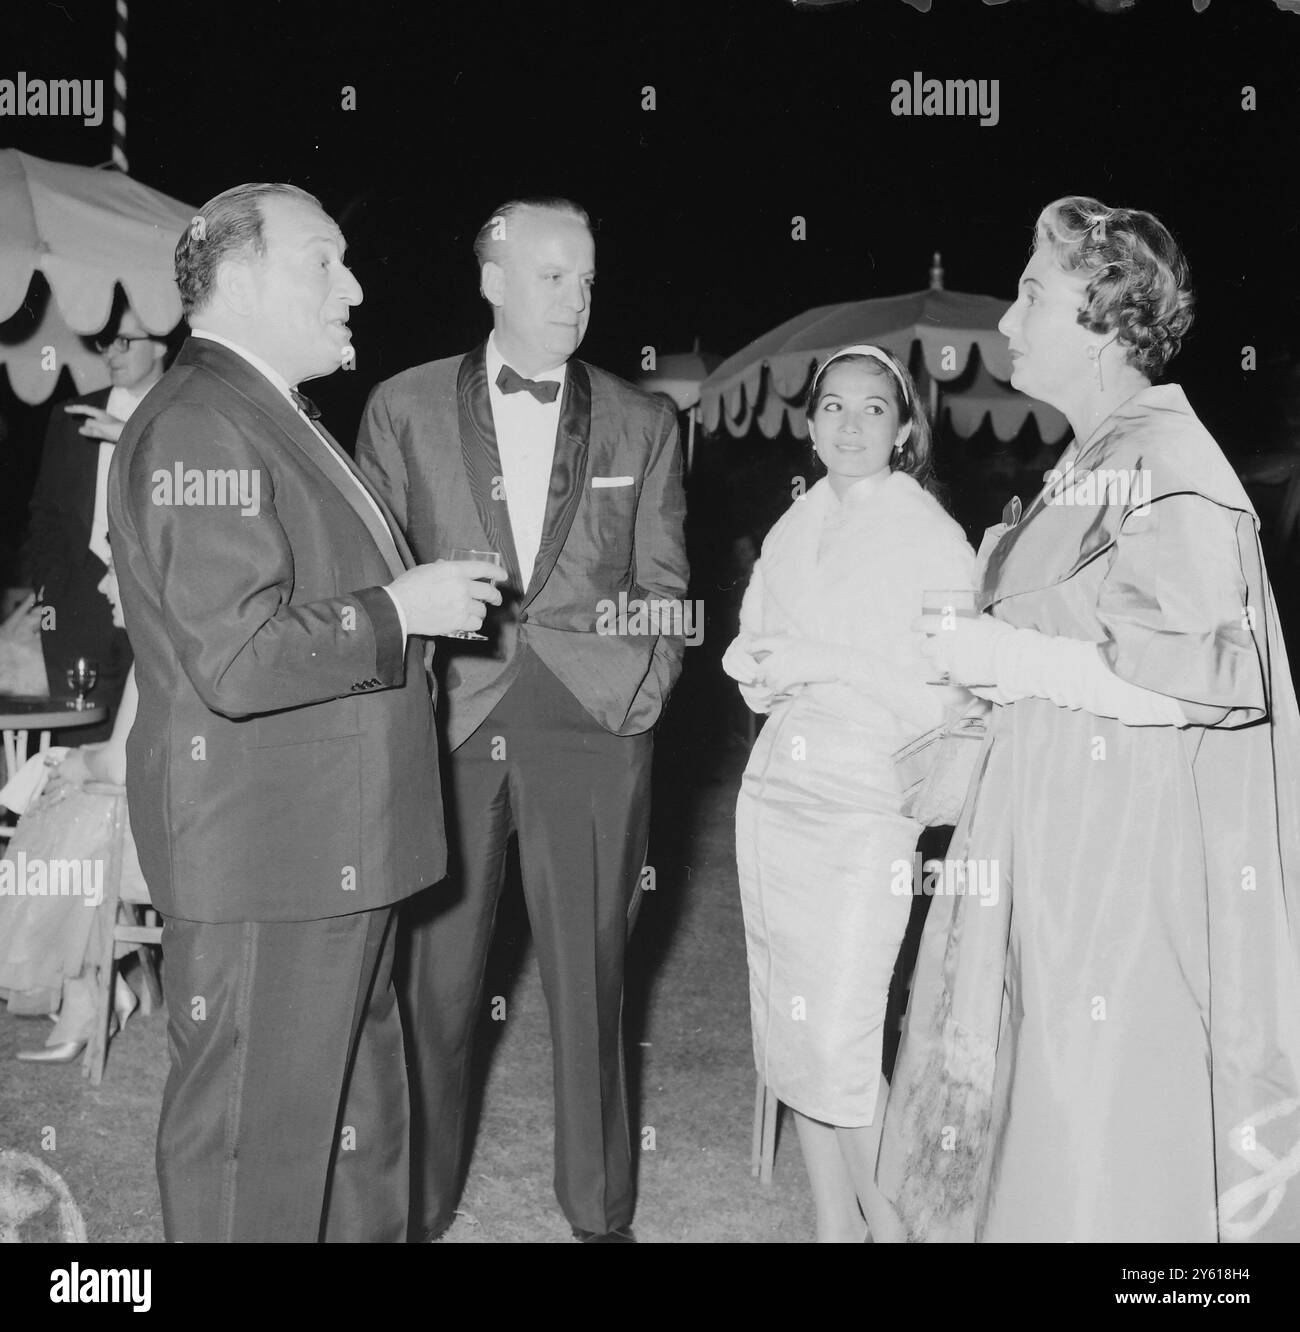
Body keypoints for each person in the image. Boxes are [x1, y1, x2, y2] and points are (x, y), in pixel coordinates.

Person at [878, 196, 1300, 1243]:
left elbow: (1200, 672)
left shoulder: (1169, 462)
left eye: (1030, 293)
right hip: (1061, 851)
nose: (1008, 324)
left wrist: (1006, 651)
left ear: (1108, 320)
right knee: (1041, 1116)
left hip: (1117, 879)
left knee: (1098, 1131)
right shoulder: (1100, 454)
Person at [106, 181, 504, 1243]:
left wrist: (400, 598)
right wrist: (396, 607)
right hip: (270, 861)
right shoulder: (198, 421)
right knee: (259, 1163)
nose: (355, 284)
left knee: (357, 1141)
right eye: (322, 261)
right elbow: (236, 658)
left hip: (335, 853)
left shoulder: (267, 411)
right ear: (237, 279)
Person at [356, 196, 689, 1242]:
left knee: (593, 976)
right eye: (552, 277)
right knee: (435, 982)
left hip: (593, 723)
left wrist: (640, 686)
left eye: (587, 279)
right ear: (492, 279)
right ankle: (416, 1206)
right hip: (449, 719)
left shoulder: (646, 420)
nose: (576, 300)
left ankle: (599, 1211)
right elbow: (375, 577)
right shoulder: (401, 405)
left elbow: (667, 588)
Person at [721, 344, 975, 1242]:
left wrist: (821, 662)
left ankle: (894, 1222)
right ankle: (837, 1226)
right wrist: (753, 664)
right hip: (778, 801)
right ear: (811, 422)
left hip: (867, 804)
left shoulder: (931, 536)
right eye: (833, 407)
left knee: (838, 1036)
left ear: (904, 428)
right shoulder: (799, 522)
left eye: (874, 409)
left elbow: (953, 696)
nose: (852, 424)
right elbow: (756, 644)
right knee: (795, 1038)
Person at [0, 564, 141, 1062]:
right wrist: (77, 763)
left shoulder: (154, 655)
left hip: (161, 852)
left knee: (57, 831)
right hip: (179, 828)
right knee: (59, 809)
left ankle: (91, 996)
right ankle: (97, 989)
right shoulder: (165, 643)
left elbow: (122, 766)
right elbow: (134, 748)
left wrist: (81, 763)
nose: (102, 586)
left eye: (114, 572)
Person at [20, 302, 169, 741]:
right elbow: (43, 513)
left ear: (160, 342)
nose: (109, 353)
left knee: (151, 738)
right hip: (78, 602)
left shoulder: (185, 414)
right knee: (77, 737)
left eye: (124, 341)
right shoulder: (72, 415)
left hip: (154, 599)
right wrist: (51, 589)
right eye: (105, 342)